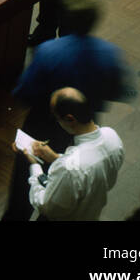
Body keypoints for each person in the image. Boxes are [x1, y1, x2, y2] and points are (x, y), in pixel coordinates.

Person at [3, 0, 131, 220]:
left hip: (43, 125)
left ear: (65, 20)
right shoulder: (110, 54)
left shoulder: (49, 51)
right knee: (66, 197)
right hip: (85, 128)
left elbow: (24, 92)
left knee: (22, 194)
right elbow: (118, 91)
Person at [17, 89, 125, 220]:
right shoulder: (111, 136)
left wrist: (35, 167)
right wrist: (55, 158)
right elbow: (90, 169)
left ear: (70, 119)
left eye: (56, 117)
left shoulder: (69, 169)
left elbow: (46, 206)